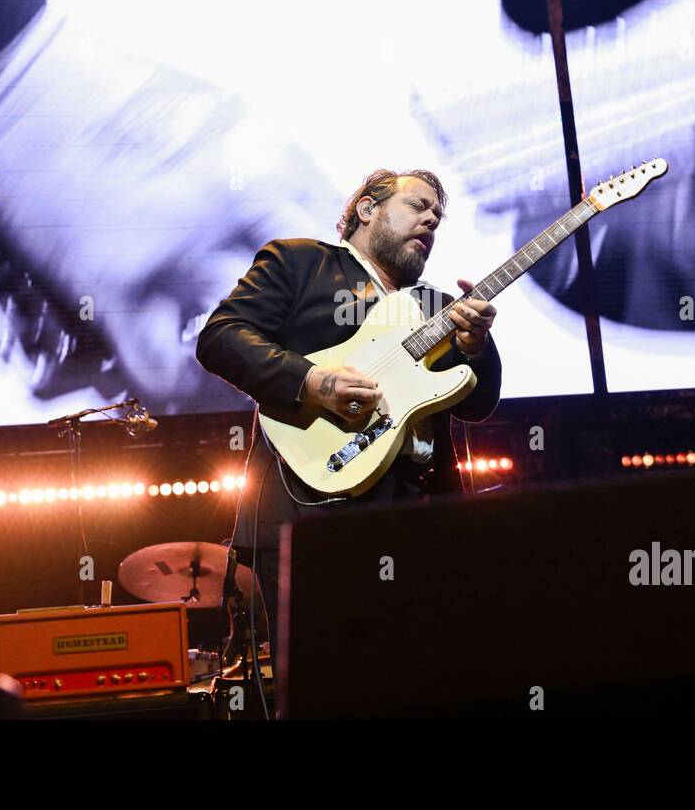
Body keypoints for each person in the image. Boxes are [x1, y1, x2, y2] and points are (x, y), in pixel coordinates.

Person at [195, 169, 502, 695]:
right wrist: (314, 380)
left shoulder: (435, 305)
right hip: (311, 509)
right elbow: (221, 337)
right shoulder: (297, 262)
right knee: (331, 685)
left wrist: (474, 347)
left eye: (438, 217)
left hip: (421, 514)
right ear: (366, 209)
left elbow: (479, 403)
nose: (431, 220)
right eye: (418, 206)